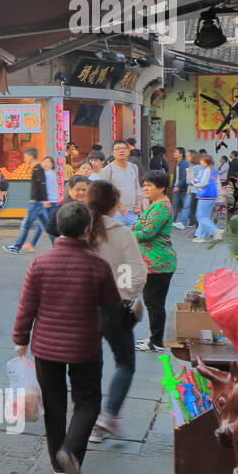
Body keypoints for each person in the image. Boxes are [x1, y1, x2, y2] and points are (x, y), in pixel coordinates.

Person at [12, 202, 120, 474]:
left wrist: (20, 338)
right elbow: (111, 305)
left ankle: (57, 462)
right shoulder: (98, 265)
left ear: (58, 227)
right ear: (87, 229)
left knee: (54, 403)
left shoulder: (39, 263)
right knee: (88, 402)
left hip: (46, 346)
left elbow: (26, 306)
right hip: (85, 346)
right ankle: (70, 452)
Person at [85, 180, 147, 444]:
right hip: (114, 307)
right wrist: (127, 293)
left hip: (82, 307)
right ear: (114, 204)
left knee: (88, 364)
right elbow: (138, 273)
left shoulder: (81, 229)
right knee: (124, 363)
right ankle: (108, 416)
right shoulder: (122, 233)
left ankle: (89, 421)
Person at [133, 170, 176, 353]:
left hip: (159, 263)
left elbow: (146, 233)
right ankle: (155, 338)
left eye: (150, 185)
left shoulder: (161, 207)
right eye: (144, 185)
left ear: (162, 187)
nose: (145, 188)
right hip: (153, 261)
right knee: (153, 302)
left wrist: (126, 233)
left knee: (154, 303)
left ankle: (157, 342)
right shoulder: (155, 204)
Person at [4, 148, 49, 254]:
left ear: (30, 156)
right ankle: (60, 243)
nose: (24, 158)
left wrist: (44, 199)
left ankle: (16, 247)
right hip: (37, 202)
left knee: (25, 225)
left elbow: (42, 184)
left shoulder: (37, 169)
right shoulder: (37, 168)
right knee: (47, 226)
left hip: (35, 202)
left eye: (25, 156)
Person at [102, 139, 143, 225]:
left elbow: (137, 187)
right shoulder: (108, 169)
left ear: (128, 151)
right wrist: (118, 205)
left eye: (124, 148)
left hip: (133, 212)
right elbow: (104, 192)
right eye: (117, 149)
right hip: (116, 213)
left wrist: (138, 203)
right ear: (113, 153)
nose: (121, 151)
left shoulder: (134, 167)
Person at [191, 153, 221, 243]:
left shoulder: (205, 170)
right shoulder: (214, 171)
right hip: (212, 197)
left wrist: (192, 179)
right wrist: (218, 198)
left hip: (204, 196)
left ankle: (215, 231)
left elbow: (202, 183)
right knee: (205, 217)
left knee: (201, 217)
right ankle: (200, 236)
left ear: (204, 162)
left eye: (201, 159)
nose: (200, 161)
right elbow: (218, 185)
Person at [170, 147, 191, 229]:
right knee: (177, 204)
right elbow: (176, 176)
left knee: (185, 205)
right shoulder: (178, 162)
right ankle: (173, 221)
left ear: (180, 154)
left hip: (182, 188)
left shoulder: (183, 163)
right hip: (178, 186)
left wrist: (178, 186)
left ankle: (188, 221)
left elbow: (184, 176)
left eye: (176, 152)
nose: (174, 153)